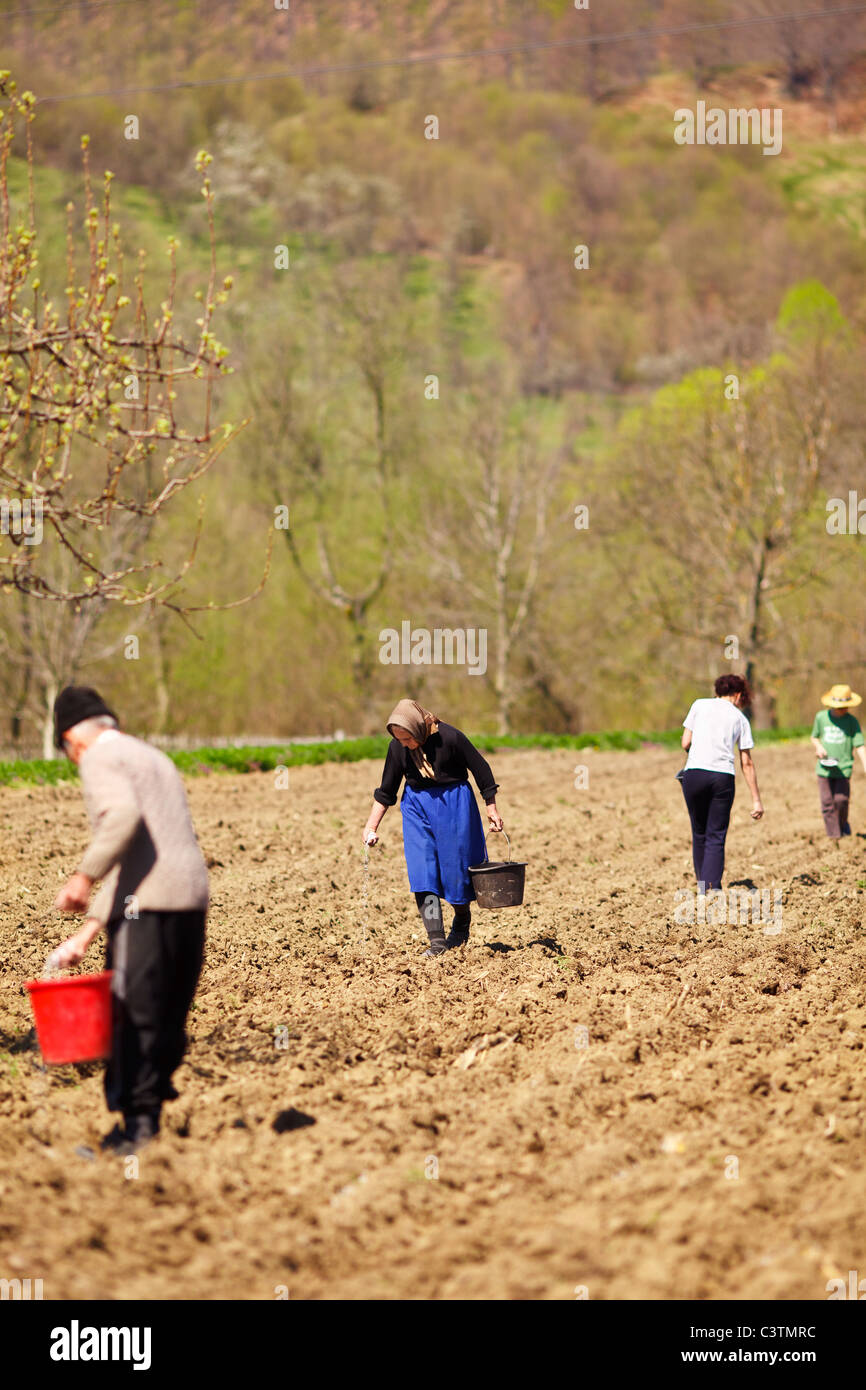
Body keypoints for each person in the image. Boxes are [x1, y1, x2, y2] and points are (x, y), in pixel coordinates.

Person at [51, 686, 209, 1155]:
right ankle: (150, 1117)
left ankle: (134, 1131)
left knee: (134, 1015)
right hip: (188, 898)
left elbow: (121, 818)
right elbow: (139, 855)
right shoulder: (153, 758)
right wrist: (87, 932)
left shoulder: (100, 759)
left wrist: (82, 877)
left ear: (72, 740)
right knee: (167, 1012)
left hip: (149, 907)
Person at [363, 699, 503, 956]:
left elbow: (481, 770)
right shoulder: (397, 748)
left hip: (454, 803)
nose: (403, 744)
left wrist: (491, 808)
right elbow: (386, 791)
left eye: (407, 739)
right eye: (399, 739)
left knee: (456, 872)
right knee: (422, 871)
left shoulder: (449, 737)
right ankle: (436, 940)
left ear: (417, 729)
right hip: (416, 807)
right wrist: (371, 827)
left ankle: (461, 920)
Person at [680, 674, 764, 893]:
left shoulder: (699, 705)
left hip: (694, 774)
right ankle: (712, 888)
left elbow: (685, 742)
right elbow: (746, 762)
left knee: (698, 832)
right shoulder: (740, 718)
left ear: (717, 691)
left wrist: (699, 755)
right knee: (715, 835)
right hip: (721, 777)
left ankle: (702, 887)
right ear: (737, 695)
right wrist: (756, 800)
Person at [810, 683, 866, 842]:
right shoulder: (821, 717)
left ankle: (842, 825)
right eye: (840, 707)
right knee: (827, 803)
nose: (843, 709)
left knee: (841, 800)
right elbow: (814, 736)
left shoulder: (852, 722)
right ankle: (834, 836)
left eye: (846, 706)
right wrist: (819, 747)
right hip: (824, 769)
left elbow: (860, 745)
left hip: (844, 768)